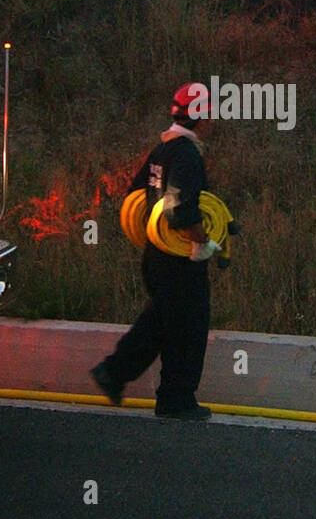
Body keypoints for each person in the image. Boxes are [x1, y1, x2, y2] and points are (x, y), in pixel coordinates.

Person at [91, 82, 221, 420]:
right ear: (201, 119)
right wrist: (202, 241)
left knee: (162, 322)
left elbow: (138, 195)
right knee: (188, 329)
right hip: (180, 258)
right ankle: (175, 400)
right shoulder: (187, 154)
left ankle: (118, 374)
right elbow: (179, 209)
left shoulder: (162, 150)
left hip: (156, 256)